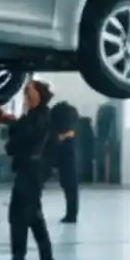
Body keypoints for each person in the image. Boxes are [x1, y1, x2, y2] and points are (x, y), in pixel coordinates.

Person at [0, 79, 56, 260]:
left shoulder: (39, 116)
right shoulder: (37, 115)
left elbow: (21, 139)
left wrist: (10, 131)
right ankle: (46, 258)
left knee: (18, 216)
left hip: (30, 172)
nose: (26, 95)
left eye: (30, 92)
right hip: (32, 171)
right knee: (33, 216)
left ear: (40, 95)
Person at [46, 96, 80, 224]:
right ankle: (71, 214)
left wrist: (58, 137)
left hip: (64, 155)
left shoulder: (59, 118)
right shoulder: (72, 118)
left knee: (68, 185)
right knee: (70, 186)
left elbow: (66, 134)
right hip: (69, 156)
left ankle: (71, 215)